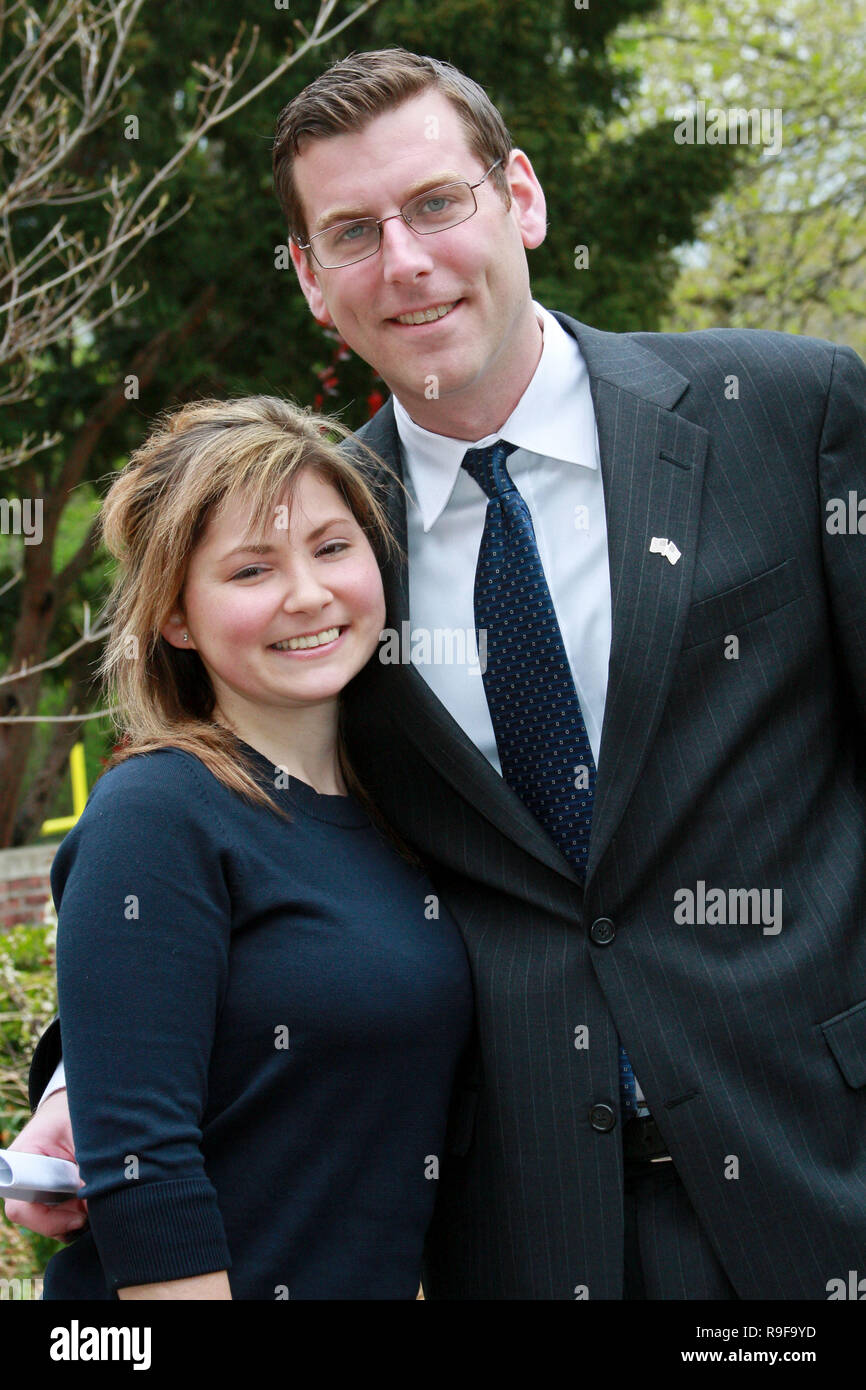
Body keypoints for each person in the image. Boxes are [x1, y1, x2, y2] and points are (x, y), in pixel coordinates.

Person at [11, 48, 866, 1300]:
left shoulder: (790, 415)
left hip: (817, 1168)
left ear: (517, 198)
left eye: (434, 205)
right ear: (308, 279)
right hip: (516, 1229)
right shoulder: (323, 547)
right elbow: (263, 825)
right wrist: (99, 1074)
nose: (403, 262)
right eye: (350, 232)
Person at [16, 395, 472, 1300]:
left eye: (332, 548)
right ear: (177, 619)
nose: (307, 593)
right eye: (251, 569)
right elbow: (147, 1173)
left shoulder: (405, 812)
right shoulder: (158, 814)